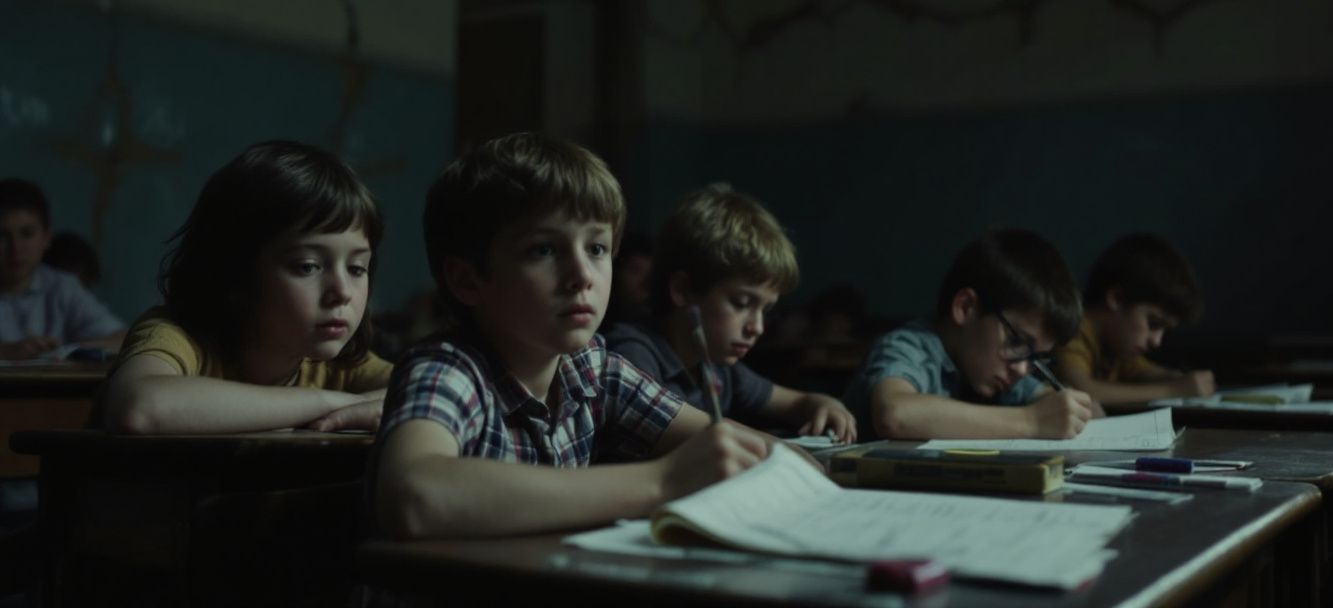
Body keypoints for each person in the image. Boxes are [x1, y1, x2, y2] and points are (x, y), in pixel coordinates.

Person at [371, 133, 796, 540]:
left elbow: (740, 448)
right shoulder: (447, 369)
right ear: (468, 280)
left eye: (596, 248)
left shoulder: (593, 368)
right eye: (543, 250)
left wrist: (799, 468)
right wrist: (661, 482)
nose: (582, 276)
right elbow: (414, 495)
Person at [95, 140, 391, 434]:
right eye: (307, 266)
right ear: (234, 273)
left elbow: (418, 387)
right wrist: (332, 402)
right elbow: (140, 408)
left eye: (357, 268)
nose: (343, 292)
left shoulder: (341, 364)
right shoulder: (176, 337)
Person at [605, 184, 857, 442]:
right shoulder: (632, 355)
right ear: (683, 290)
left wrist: (823, 403)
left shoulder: (718, 367)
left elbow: (798, 402)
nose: (757, 327)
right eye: (741, 303)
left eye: (765, 309)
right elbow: (696, 431)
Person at [842, 229, 1094, 440]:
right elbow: (895, 414)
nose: (1020, 370)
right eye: (1017, 341)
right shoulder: (908, 347)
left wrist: (1069, 410)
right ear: (966, 307)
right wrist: (1032, 421)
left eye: (1035, 358)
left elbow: (1056, 404)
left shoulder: (991, 371)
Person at [1052, 233, 1211, 407]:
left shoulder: (1117, 347)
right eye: (1153, 323)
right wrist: (1173, 389)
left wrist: (1182, 379)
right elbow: (1079, 392)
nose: (1156, 341)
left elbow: (1148, 373)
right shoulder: (1072, 331)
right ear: (1117, 299)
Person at [0, 178, 125, 359]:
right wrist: (6, 351)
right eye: (2, 236)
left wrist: (66, 351)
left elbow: (123, 338)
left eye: (27, 234)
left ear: (46, 237)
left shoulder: (62, 287)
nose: (16, 248)